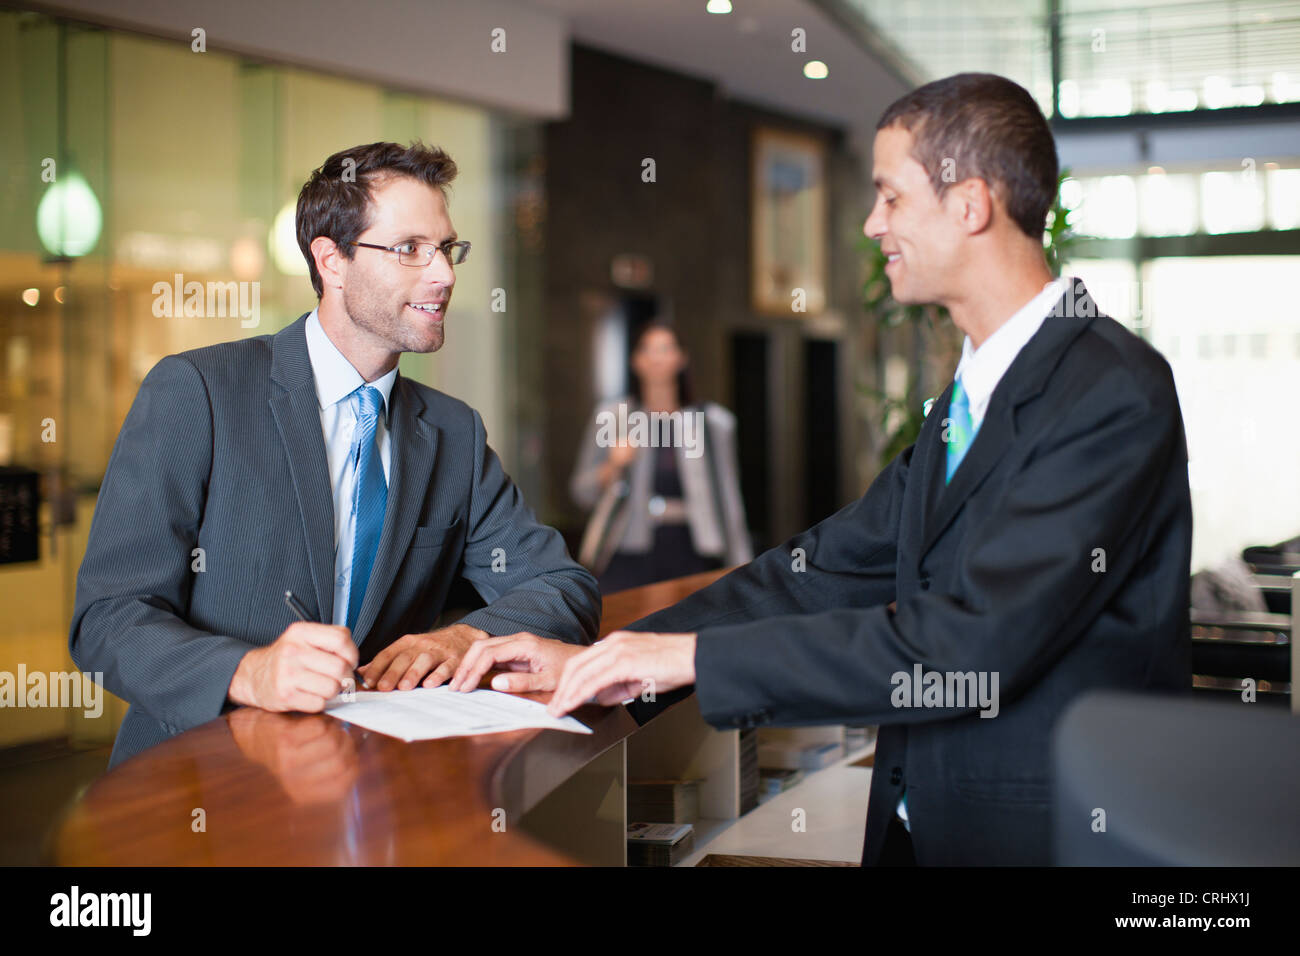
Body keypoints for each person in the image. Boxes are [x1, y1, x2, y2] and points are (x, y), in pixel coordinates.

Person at [451, 73, 1193, 865]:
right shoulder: (963, 402)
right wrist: (620, 655)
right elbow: (822, 569)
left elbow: (971, 644)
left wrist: (692, 658)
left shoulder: (1110, 389)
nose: (873, 224)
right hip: (921, 828)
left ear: (971, 204)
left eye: (891, 198)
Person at [70, 141, 600, 769]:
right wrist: (248, 671)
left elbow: (561, 585)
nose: (444, 274)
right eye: (409, 249)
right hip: (195, 787)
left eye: (447, 249)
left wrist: (467, 637)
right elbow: (106, 619)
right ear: (332, 261)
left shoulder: (452, 432)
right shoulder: (200, 392)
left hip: (369, 786)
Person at [570, 322, 752, 593]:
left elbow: (728, 497)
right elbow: (581, 492)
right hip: (626, 548)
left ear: (681, 358)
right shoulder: (613, 417)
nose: (656, 358)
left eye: (665, 349)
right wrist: (612, 467)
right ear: (635, 360)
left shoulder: (713, 423)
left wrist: (741, 565)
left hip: (690, 549)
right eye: (647, 349)